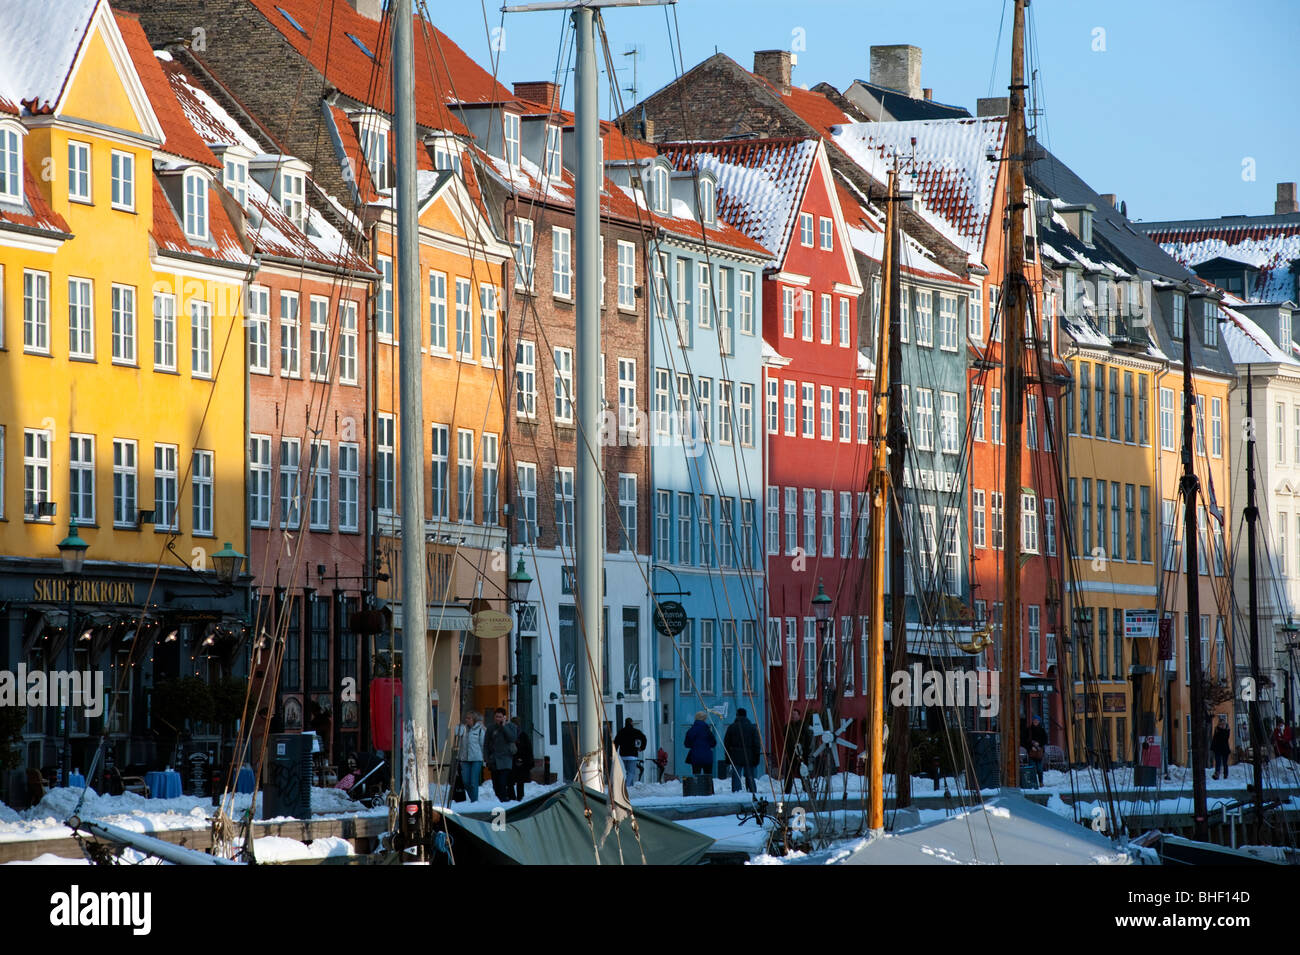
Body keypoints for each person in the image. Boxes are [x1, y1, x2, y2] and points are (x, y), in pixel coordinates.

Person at [483, 707, 519, 802]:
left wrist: (504, 726)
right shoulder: (491, 728)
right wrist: (486, 758)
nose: (497, 719)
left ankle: (505, 801)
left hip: (506, 759)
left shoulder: (511, 726)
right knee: (496, 785)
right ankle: (502, 799)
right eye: (496, 716)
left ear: (504, 717)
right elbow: (486, 744)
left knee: (503, 783)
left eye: (500, 717)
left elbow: (512, 738)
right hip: (494, 760)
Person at [723, 708, 763, 794]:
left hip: (735, 755)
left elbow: (726, 743)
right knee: (750, 775)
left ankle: (737, 792)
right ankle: (752, 791)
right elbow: (756, 744)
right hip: (749, 755)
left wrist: (727, 756)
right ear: (746, 715)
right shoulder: (752, 728)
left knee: (736, 775)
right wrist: (757, 756)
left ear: (737, 715)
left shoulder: (732, 727)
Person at [456, 711, 485, 802]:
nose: (467, 720)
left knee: (473, 782)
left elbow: (482, 744)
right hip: (464, 759)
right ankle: (473, 798)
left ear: (474, 719)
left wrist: (484, 759)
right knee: (465, 782)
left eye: (469, 718)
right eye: (466, 718)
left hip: (476, 758)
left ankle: (474, 801)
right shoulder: (463, 728)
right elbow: (456, 733)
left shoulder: (480, 729)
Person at [782, 709, 812, 795]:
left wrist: (805, 750)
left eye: (795, 715)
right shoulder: (788, 726)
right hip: (791, 753)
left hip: (802, 753)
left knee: (803, 771)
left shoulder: (804, 726)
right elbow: (786, 739)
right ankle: (787, 790)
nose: (793, 716)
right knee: (789, 772)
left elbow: (808, 739)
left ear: (799, 715)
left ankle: (807, 789)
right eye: (792, 715)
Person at [613, 718, 648, 786]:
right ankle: (627, 786)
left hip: (623, 755)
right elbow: (644, 738)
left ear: (625, 723)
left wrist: (614, 752)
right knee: (631, 772)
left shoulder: (621, 732)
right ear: (631, 723)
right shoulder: (636, 731)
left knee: (627, 772)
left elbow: (616, 742)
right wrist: (642, 748)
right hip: (633, 755)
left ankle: (630, 788)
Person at [684, 711, 715, 776]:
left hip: (695, 756)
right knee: (708, 777)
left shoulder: (691, 730)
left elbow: (686, 744)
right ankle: (708, 786)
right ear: (704, 719)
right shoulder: (707, 730)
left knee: (696, 777)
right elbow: (713, 743)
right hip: (707, 756)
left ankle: (697, 786)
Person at [510, 717, 534, 802]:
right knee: (513, 782)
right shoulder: (522, 735)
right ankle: (515, 798)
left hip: (520, 762)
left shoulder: (522, 736)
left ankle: (518, 798)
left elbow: (527, 750)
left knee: (518, 782)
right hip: (515, 761)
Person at [1027, 715, 1048, 785]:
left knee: (1039, 769)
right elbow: (1026, 740)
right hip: (1031, 752)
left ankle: (1041, 782)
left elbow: (1045, 740)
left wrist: (1039, 744)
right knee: (1031, 768)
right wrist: (1030, 747)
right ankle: (1032, 783)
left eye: (1037, 720)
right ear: (1032, 721)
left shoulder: (1042, 730)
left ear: (1039, 721)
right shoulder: (1029, 730)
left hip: (1039, 752)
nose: (1035, 722)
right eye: (1034, 720)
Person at [1211, 715, 1231, 779]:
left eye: (1223, 724)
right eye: (1221, 724)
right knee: (1218, 762)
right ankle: (1217, 774)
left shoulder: (1226, 730)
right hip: (1218, 749)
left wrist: (1221, 730)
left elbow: (1225, 738)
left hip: (1224, 749)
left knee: (1225, 763)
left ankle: (1225, 774)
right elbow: (1215, 739)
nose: (1222, 725)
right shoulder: (1217, 730)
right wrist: (1213, 747)